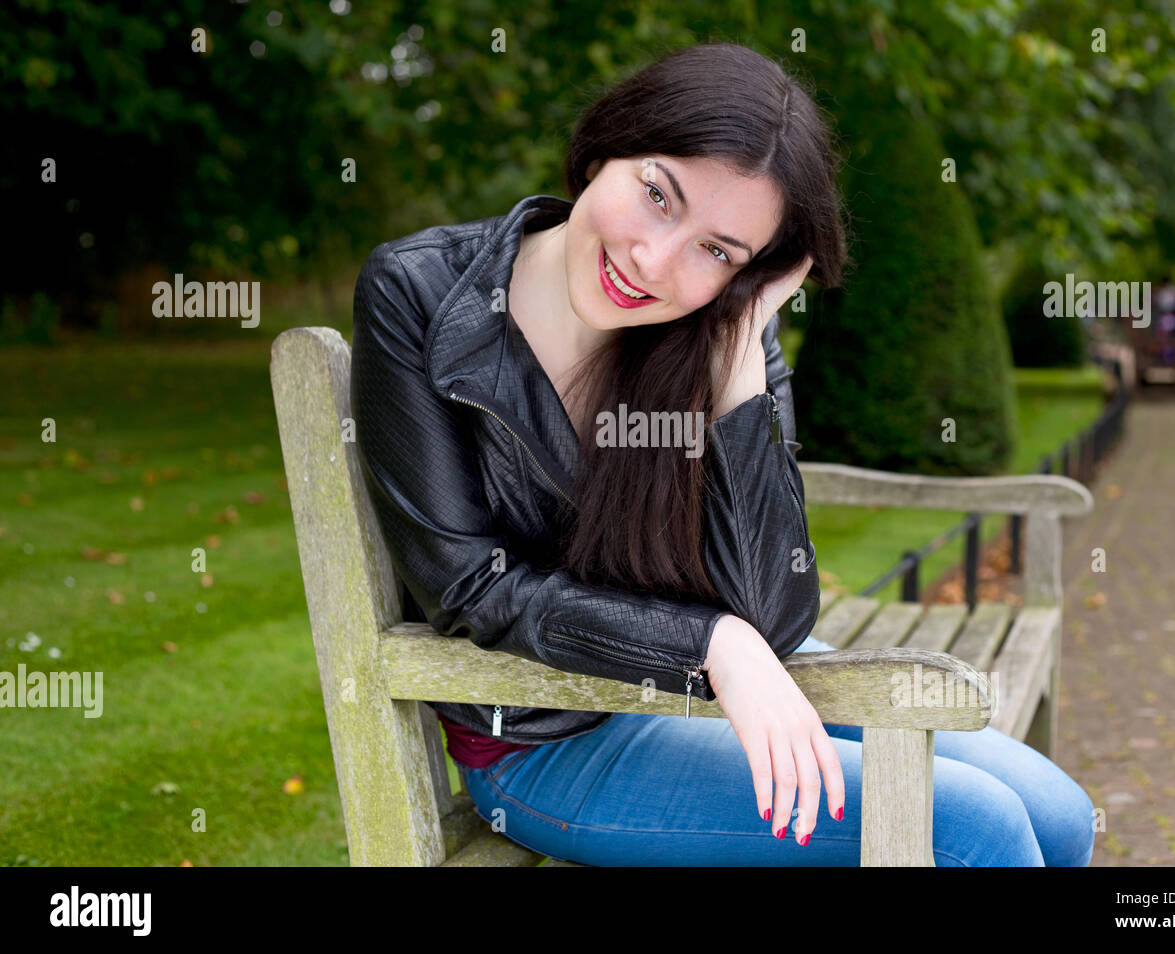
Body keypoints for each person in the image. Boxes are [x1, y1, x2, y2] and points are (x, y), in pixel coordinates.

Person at [351, 43, 1095, 866]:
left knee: (1060, 818)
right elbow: (469, 589)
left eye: (717, 251)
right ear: (607, 145)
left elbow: (773, 616)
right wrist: (710, 645)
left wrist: (739, 374)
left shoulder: (724, 331)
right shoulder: (420, 292)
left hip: (716, 678)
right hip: (550, 734)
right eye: (658, 196)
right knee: (973, 829)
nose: (653, 262)